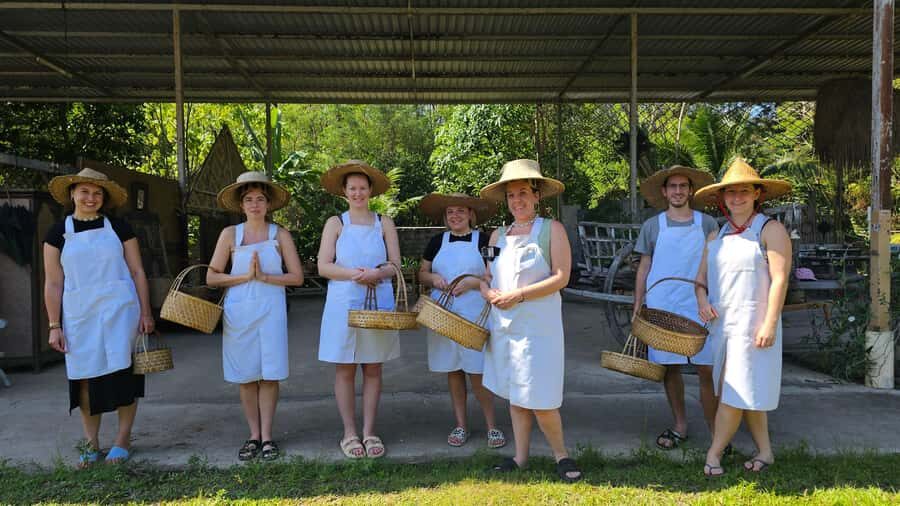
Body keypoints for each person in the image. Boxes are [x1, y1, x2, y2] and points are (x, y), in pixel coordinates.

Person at [478, 159, 582, 483]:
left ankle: (561, 455)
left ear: (537, 196)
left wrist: (519, 296)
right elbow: (486, 275)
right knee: (515, 394)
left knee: (541, 398)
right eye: (511, 195)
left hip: (539, 329)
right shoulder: (497, 235)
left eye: (523, 193)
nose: (517, 200)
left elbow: (561, 277)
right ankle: (520, 458)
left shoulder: (552, 230)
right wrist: (487, 291)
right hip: (505, 326)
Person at [43, 168, 154, 467]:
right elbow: (53, 283)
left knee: (123, 375)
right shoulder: (57, 234)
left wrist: (146, 311)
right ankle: (91, 444)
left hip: (121, 311)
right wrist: (55, 325)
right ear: (72, 194)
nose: (91, 198)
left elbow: (137, 271)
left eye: (97, 193)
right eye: (85, 192)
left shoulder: (119, 228)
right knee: (84, 377)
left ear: (104, 198)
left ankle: (122, 439)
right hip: (79, 315)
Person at [693, 158, 792, 477]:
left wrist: (769, 323)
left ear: (757, 194)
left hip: (755, 327)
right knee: (746, 391)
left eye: (744, 191)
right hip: (723, 327)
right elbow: (700, 281)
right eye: (730, 192)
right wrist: (702, 299)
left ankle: (713, 453)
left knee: (736, 393)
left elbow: (780, 279)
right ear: (722, 198)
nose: (737, 198)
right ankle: (765, 451)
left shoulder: (770, 229)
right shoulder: (716, 236)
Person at [207, 171, 304, 461]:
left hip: (271, 311)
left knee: (270, 373)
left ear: (269, 204)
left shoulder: (280, 234)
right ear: (241, 204)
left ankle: (269, 436)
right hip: (239, 312)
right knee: (246, 375)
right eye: (249, 199)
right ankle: (253, 435)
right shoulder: (230, 235)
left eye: (260, 199)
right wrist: (244, 278)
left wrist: (264, 277)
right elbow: (212, 277)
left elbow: (297, 277)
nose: (255, 204)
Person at [317, 160, 401, 459]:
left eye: (362, 188)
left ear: (371, 191)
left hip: (378, 299)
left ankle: (369, 431)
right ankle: (349, 433)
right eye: (352, 188)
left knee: (373, 366)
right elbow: (323, 266)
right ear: (344, 191)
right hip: (343, 301)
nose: (357, 193)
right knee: (345, 367)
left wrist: (378, 274)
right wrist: (357, 274)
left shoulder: (384, 223)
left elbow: (395, 265)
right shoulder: (335, 223)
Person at [633, 166, 720, 451]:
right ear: (664, 192)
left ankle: (716, 433)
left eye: (684, 186)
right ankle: (680, 425)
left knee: (707, 369)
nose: (679, 191)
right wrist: (638, 304)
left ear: (691, 191)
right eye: (673, 187)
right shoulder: (653, 226)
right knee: (670, 368)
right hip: (663, 303)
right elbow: (644, 266)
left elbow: (716, 265)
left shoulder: (707, 224)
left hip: (700, 303)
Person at [417, 192, 505, 449]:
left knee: (477, 371)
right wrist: (433, 280)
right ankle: (460, 425)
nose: (455, 216)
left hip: (475, 313)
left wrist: (473, 282)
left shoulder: (485, 240)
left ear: (470, 214)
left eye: (460, 211)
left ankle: (492, 426)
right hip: (442, 315)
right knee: (453, 369)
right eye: (450, 212)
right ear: (445, 217)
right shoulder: (436, 242)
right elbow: (422, 273)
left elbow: (496, 275)